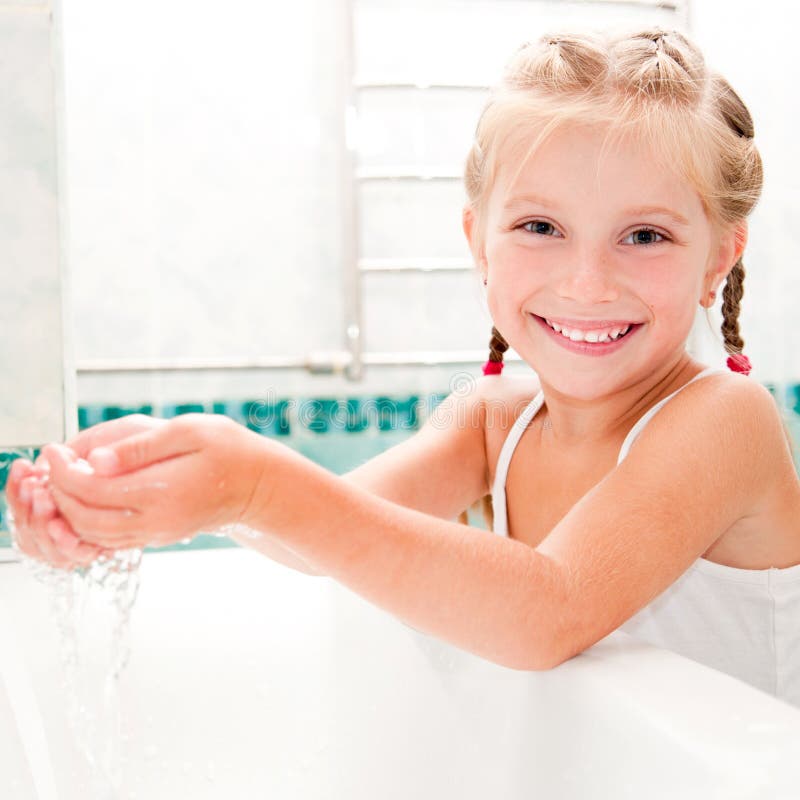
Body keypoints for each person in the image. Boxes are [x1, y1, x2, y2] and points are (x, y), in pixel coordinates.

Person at [6, 28, 800, 705]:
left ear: (718, 260)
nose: (587, 281)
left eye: (645, 236)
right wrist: (135, 490)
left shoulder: (723, 418)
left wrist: (254, 481)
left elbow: (547, 613)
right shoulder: (493, 420)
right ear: (477, 243)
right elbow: (314, 536)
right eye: (539, 226)